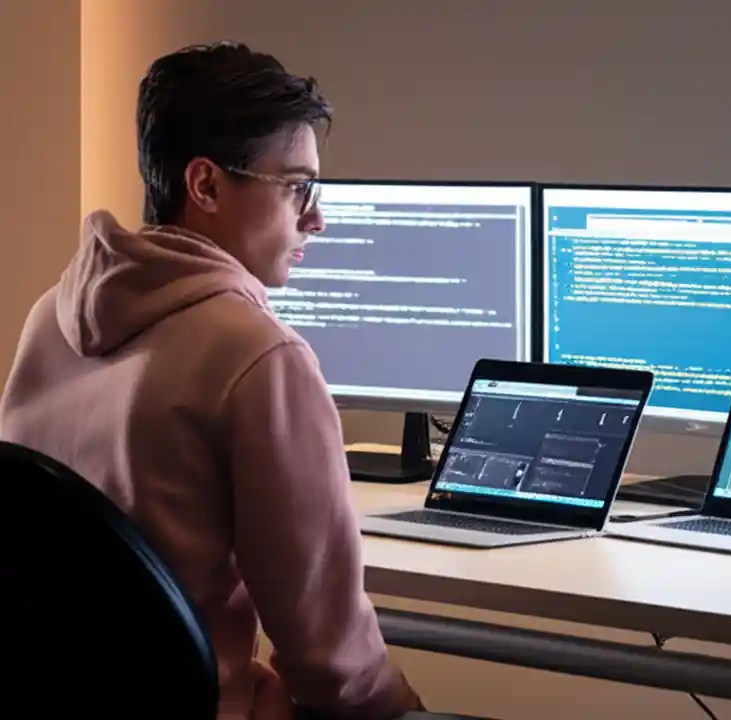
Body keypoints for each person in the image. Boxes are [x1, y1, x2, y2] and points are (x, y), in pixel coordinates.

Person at [0, 42, 422, 719]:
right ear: (205, 186)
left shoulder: (49, 315)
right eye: (297, 188)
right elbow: (330, 659)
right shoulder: (261, 359)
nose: (316, 217)